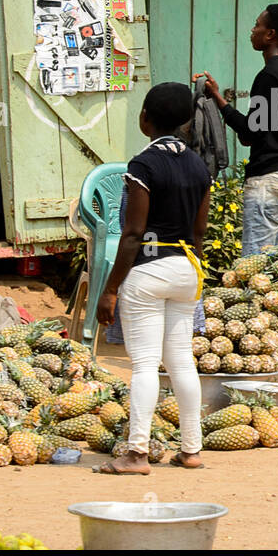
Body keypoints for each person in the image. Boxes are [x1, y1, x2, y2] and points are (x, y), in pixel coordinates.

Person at [95, 83, 211, 475]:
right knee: (180, 361)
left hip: (148, 269)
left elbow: (131, 234)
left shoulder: (142, 164)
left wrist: (109, 290)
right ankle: (191, 450)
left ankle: (136, 454)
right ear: (185, 121)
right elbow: (199, 232)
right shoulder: (198, 165)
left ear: (145, 118)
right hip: (186, 270)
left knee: (145, 365)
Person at [195, 4, 278, 255]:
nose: (252, 30)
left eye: (257, 25)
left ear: (270, 35)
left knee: (254, 268)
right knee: (270, 268)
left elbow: (248, 134)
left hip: (267, 182)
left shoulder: (268, 76)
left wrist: (218, 99)